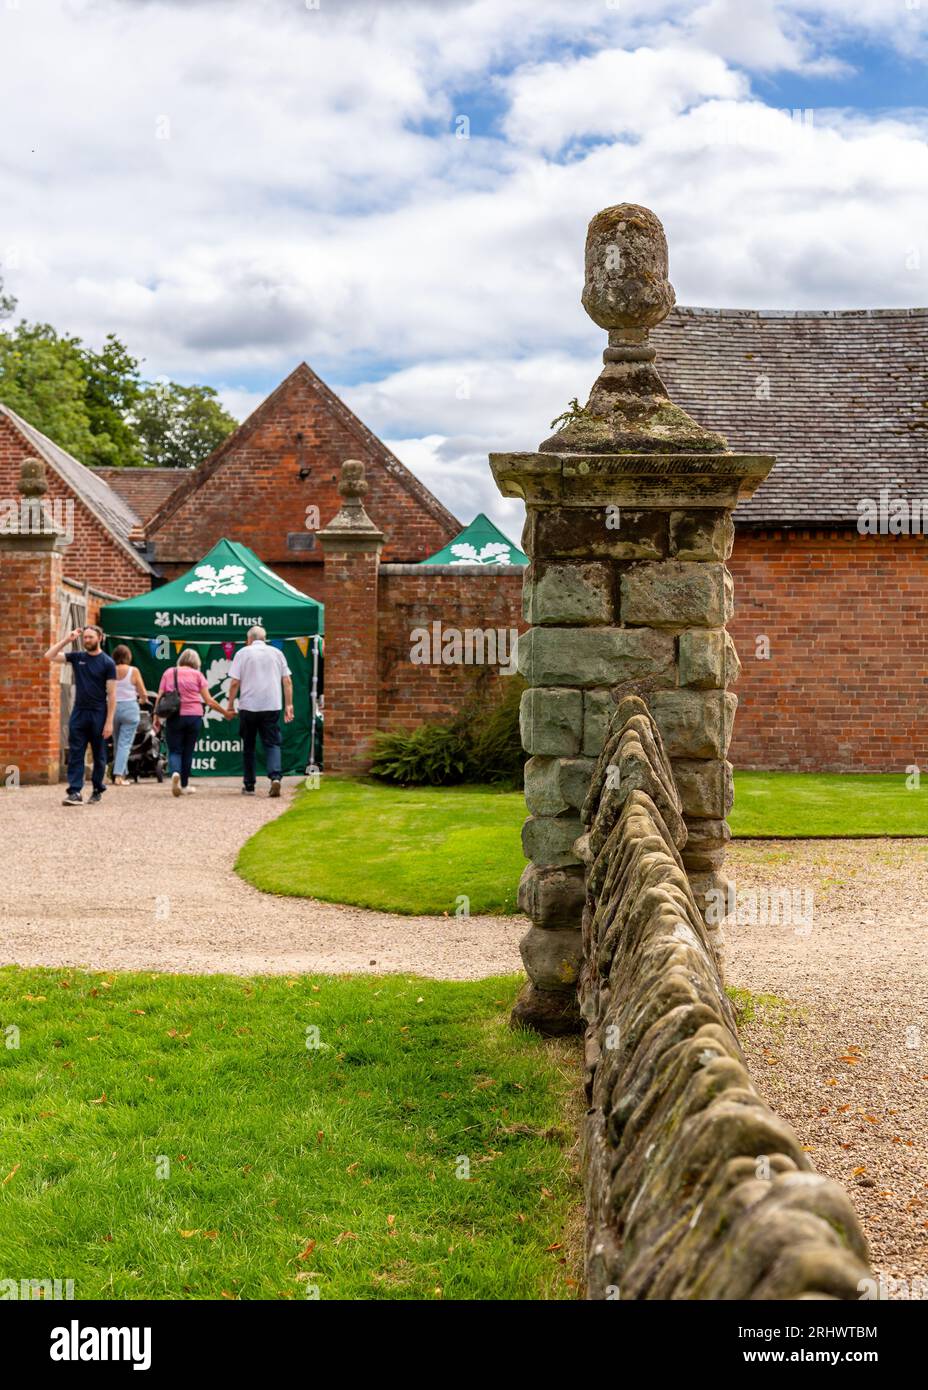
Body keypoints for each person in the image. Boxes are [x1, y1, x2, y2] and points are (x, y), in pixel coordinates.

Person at [44, 624, 117, 807]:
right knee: (76, 753)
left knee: (99, 755)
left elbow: (112, 694)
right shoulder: (78, 658)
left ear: (99, 638)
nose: (87, 640)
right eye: (84, 637)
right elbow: (49, 656)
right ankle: (75, 792)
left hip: (99, 712)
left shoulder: (108, 663)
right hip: (79, 712)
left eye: (90, 637)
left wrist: (109, 722)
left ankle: (97, 789)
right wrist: (67, 640)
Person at [225, 625, 294, 796]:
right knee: (272, 743)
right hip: (271, 705)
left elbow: (234, 683)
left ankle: (249, 785)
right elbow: (287, 681)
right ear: (265, 638)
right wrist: (289, 705)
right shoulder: (277, 653)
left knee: (249, 746)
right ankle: (275, 777)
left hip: (248, 706)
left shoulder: (242, 653)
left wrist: (230, 704)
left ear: (248, 639)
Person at [154, 648, 232, 796]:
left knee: (175, 750)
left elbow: (160, 696)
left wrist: (156, 717)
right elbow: (209, 700)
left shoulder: (169, 672)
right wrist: (225, 713)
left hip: (174, 715)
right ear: (196, 662)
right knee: (188, 751)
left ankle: (175, 773)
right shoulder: (198, 675)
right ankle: (184, 785)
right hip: (194, 716)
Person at [110, 644, 148, 785]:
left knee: (117, 743)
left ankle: (122, 774)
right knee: (125, 744)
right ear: (128, 656)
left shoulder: (110, 670)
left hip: (113, 708)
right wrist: (142, 699)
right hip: (130, 708)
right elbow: (142, 692)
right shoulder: (134, 671)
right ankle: (119, 775)